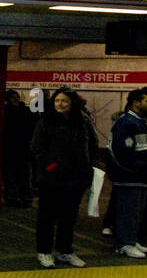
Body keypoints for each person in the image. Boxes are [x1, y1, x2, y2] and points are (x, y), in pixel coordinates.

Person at [31, 87, 100, 268]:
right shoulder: (46, 121)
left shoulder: (82, 122)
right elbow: (37, 148)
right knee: (47, 216)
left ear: (72, 103)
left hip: (76, 179)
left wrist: (86, 167)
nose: (60, 104)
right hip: (51, 179)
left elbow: (93, 145)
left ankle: (65, 250)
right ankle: (44, 251)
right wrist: (52, 166)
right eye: (57, 101)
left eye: (64, 101)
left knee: (69, 217)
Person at [107, 88, 147, 259]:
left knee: (137, 211)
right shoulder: (126, 123)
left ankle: (131, 239)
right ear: (136, 102)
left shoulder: (141, 122)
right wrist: (137, 169)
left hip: (141, 177)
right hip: (130, 177)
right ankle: (124, 244)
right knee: (128, 211)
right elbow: (121, 151)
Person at [2, 89, 36, 207]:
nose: (16, 99)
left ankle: (20, 197)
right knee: (17, 175)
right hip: (15, 149)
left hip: (20, 149)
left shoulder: (8, 113)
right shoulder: (26, 112)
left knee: (22, 175)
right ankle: (18, 197)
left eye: (17, 97)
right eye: (13, 97)